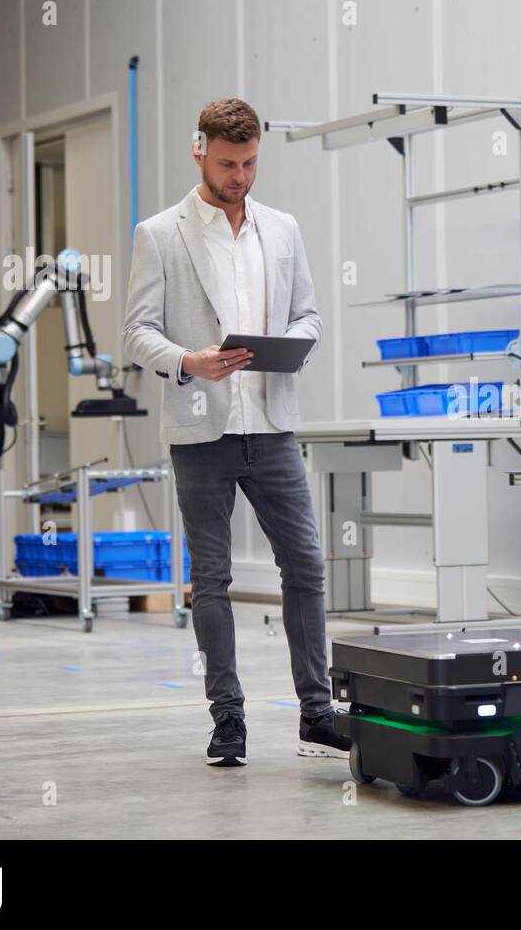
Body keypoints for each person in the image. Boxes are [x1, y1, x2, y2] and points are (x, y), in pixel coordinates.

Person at [122, 97, 349, 766]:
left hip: (272, 423)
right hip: (202, 428)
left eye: (249, 163)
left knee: (305, 567)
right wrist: (189, 361)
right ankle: (228, 720)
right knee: (213, 578)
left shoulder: (282, 229)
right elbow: (136, 332)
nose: (239, 176)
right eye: (227, 163)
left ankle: (317, 711)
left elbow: (309, 314)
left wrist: (290, 344)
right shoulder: (160, 233)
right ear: (200, 151)